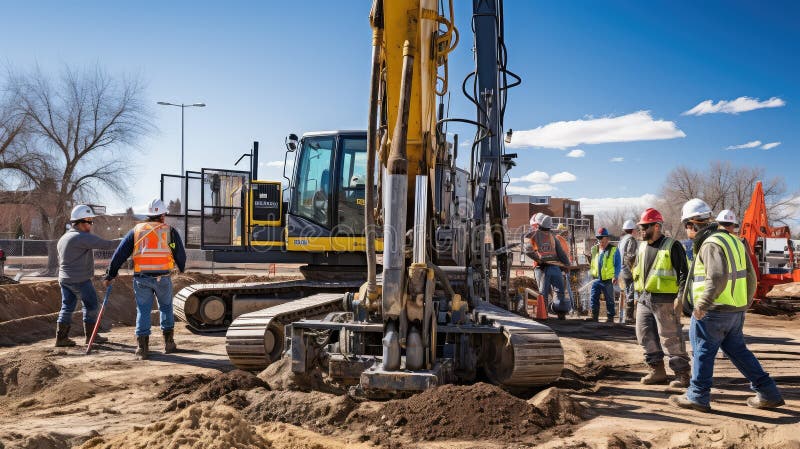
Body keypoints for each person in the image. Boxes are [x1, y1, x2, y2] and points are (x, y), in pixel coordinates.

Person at [671, 198, 784, 412]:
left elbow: (717, 276)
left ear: (692, 224)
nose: (686, 231)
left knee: (702, 352)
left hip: (712, 311)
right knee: (739, 352)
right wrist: (745, 303)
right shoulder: (733, 240)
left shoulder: (710, 244)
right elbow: (751, 276)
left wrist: (702, 304)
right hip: (734, 311)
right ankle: (768, 392)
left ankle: (697, 396)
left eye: (686, 225)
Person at [104, 198, 186, 360]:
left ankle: (142, 348)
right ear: (162, 215)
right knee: (166, 308)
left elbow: (120, 253)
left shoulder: (136, 231)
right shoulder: (169, 231)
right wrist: (181, 266)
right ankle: (169, 343)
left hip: (142, 278)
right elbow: (178, 251)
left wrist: (110, 274)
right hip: (163, 278)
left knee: (143, 310)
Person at [631, 208, 691, 387]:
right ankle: (657, 371)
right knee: (644, 335)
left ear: (656, 226)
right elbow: (638, 272)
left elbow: (684, 273)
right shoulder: (642, 246)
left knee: (670, 338)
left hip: (665, 299)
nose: (641, 230)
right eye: (640, 227)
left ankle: (682, 374)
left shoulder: (672, 246)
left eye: (645, 226)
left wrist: (680, 297)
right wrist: (636, 296)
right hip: (644, 298)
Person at [54, 205, 121, 347]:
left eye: (91, 221)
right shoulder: (81, 237)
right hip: (80, 280)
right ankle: (91, 337)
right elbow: (107, 244)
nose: (91, 224)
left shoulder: (64, 238)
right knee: (91, 305)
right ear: (79, 222)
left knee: (67, 307)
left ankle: (61, 338)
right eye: (89, 221)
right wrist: (128, 239)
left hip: (64, 279)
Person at [526, 214, 571, 319]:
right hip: (554, 268)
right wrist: (567, 265)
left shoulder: (533, 235)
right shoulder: (553, 236)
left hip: (542, 269)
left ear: (538, 224)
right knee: (559, 291)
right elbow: (561, 253)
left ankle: (544, 314)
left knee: (543, 293)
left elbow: (527, 250)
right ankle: (561, 314)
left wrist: (538, 259)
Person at [588, 228, 621, 322]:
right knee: (593, 297)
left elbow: (618, 264)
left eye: (602, 240)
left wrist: (615, 275)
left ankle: (610, 318)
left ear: (607, 239)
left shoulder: (614, 250)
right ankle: (594, 316)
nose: (600, 242)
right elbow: (593, 262)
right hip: (596, 279)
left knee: (609, 299)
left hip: (608, 279)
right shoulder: (594, 249)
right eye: (599, 240)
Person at [619, 219, 638, 324]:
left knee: (627, 291)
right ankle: (629, 317)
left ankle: (626, 316)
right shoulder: (631, 239)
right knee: (631, 291)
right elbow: (630, 256)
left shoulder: (622, 240)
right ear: (633, 230)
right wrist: (634, 270)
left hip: (621, 269)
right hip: (628, 269)